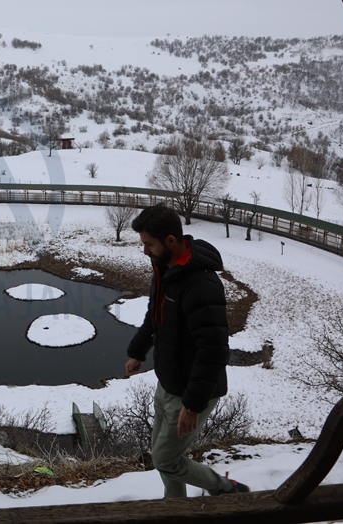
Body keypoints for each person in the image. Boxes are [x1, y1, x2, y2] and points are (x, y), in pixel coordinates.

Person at [125, 203, 249, 498]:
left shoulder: (201, 285)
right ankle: (175, 508)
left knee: (165, 459)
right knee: (164, 458)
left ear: (170, 241)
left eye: (149, 244)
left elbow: (214, 350)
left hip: (191, 393)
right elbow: (155, 317)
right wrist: (138, 351)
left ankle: (227, 489)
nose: (145, 252)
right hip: (168, 381)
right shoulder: (165, 270)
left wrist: (193, 405)